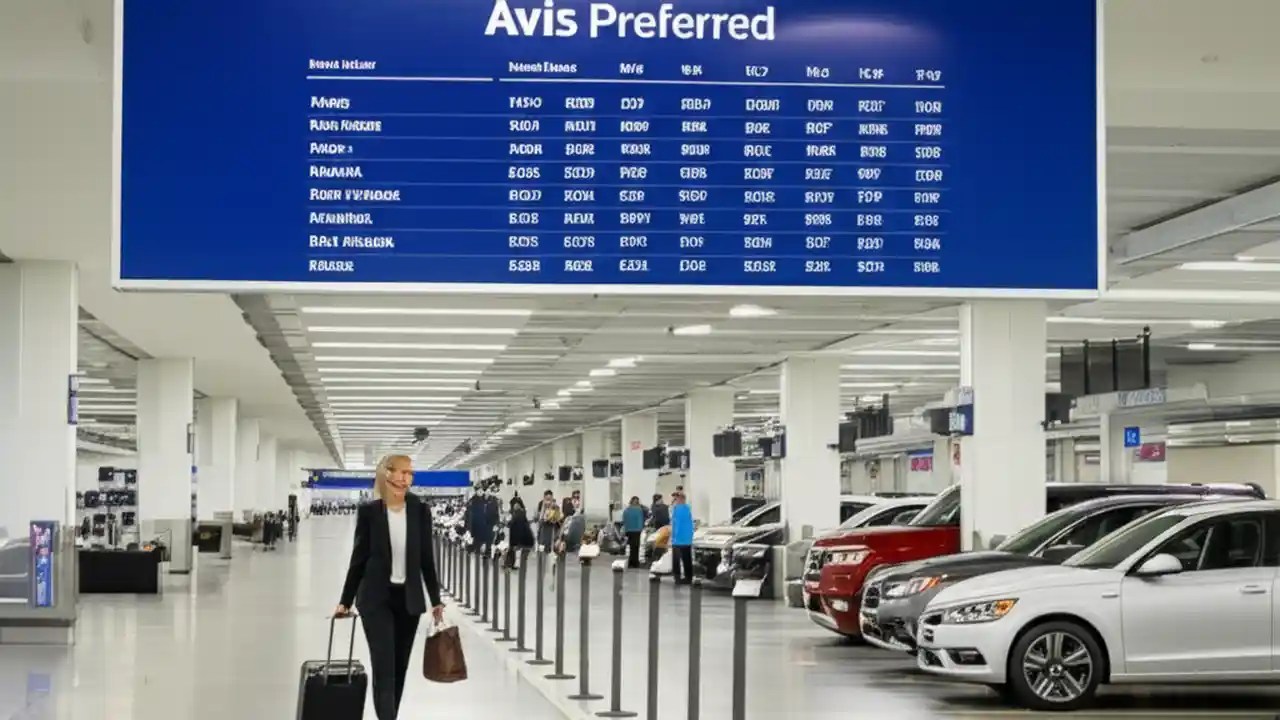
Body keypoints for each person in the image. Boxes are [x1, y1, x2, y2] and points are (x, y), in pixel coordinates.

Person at [335, 454, 444, 720]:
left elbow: (426, 559)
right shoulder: (370, 512)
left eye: (409, 473)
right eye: (399, 472)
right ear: (386, 475)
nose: (404, 478)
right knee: (384, 667)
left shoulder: (420, 510)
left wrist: (435, 600)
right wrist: (345, 600)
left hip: (409, 601)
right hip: (375, 600)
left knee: (399, 669)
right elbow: (358, 559)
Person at [670, 490, 694, 585]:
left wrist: (673, 537)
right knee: (687, 559)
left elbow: (677, 525)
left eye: (676, 498)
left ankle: (677, 578)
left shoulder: (678, 509)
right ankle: (688, 577)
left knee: (676, 561)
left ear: (681, 499)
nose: (675, 499)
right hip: (686, 539)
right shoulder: (687, 508)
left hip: (678, 540)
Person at [621, 496, 645, 568]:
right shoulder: (639, 510)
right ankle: (635, 563)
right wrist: (641, 529)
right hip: (636, 531)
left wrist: (626, 530)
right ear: (637, 502)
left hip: (629, 530)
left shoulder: (626, 510)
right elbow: (640, 521)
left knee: (631, 547)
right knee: (636, 547)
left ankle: (631, 562)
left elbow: (624, 520)